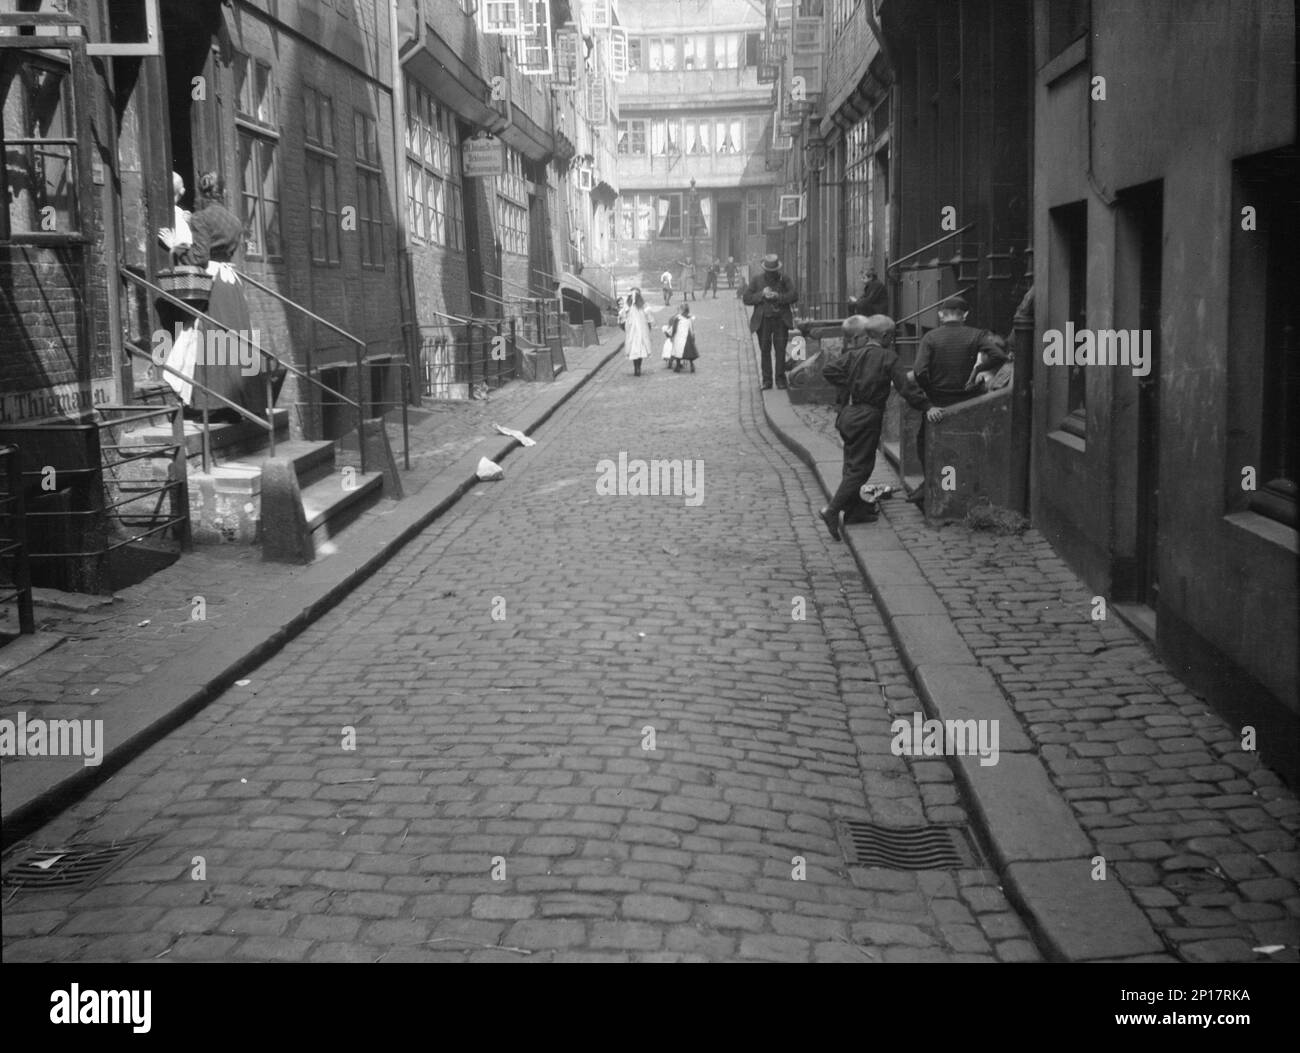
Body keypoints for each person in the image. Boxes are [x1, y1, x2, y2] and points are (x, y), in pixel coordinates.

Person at [819, 315, 942, 540]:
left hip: (849, 414)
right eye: (892, 336)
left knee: (851, 463)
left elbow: (829, 370)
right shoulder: (888, 357)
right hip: (868, 416)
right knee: (861, 469)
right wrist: (927, 406)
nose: (893, 340)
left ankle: (855, 511)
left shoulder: (853, 355)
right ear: (885, 336)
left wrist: (851, 383)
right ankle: (832, 510)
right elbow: (906, 388)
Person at [171, 171, 272, 422]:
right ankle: (240, 402)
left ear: (200, 191)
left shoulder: (200, 219)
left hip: (212, 282)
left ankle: (213, 404)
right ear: (222, 191)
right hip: (231, 282)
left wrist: (176, 246)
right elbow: (225, 249)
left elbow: (200, 257)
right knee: (235, 342)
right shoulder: (234, 221)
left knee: (211, 339)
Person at [909, 295, 1001, 503]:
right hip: (968, 401)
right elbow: (998, 356)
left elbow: (919, 371)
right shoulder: (976, 335)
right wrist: (978, 370)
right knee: (965, 444)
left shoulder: (930, 338)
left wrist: (930, 391)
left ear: (941, 314)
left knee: (926, 442)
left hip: (938, 402)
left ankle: (932, 486)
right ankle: (959, 490)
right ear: (964, 315)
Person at [742, 253, 798, 390]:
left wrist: (779, 296)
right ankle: (767, 381)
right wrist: (761, 294)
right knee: (765, 350)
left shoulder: (784, 279)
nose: (772, 274)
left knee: (780, 350)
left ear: (777, 269)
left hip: (780, 320)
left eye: (774, 271)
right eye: (769, 271)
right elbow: (746, 298)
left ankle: (780, 380)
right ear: (765, 269)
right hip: (763, 321)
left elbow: (794, 295)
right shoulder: (757, 280)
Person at [623, 289, 654, 376]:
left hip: (633, 333)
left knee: (634, 350)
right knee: (641, 350)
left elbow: (623, 317)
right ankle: (638, 367)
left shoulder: (628, 307)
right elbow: (649, 317)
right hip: (642, 332)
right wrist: (649, 325)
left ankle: (636, 367)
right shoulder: (643, 306)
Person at [665, 304, 699, 373]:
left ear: (681, 310)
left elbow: (674, 328)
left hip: (679, 337)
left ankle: (678, 366)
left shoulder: (678, 318)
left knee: (678, 351)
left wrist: (671, 335)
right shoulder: (689, 318)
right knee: (689, 352)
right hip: (688, 337)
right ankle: (692, 365)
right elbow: (691, 328)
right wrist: (693, 336)